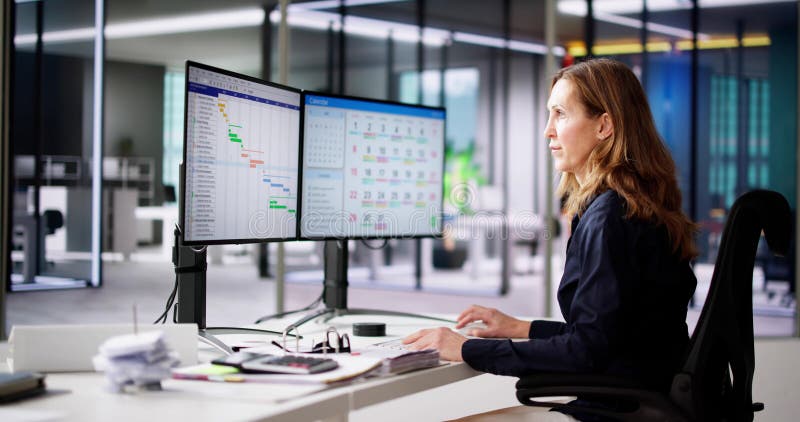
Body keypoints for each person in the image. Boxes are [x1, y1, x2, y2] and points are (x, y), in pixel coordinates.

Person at [403, 58, 698, 418]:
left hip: (618, 409)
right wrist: (521, 327)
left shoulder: (609, 217)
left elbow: (586, 350)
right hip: (644, 396)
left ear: (604, 125)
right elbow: (609, 334)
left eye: (560, 114)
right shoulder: (635, 207)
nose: (548, 131)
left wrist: (465, 349)